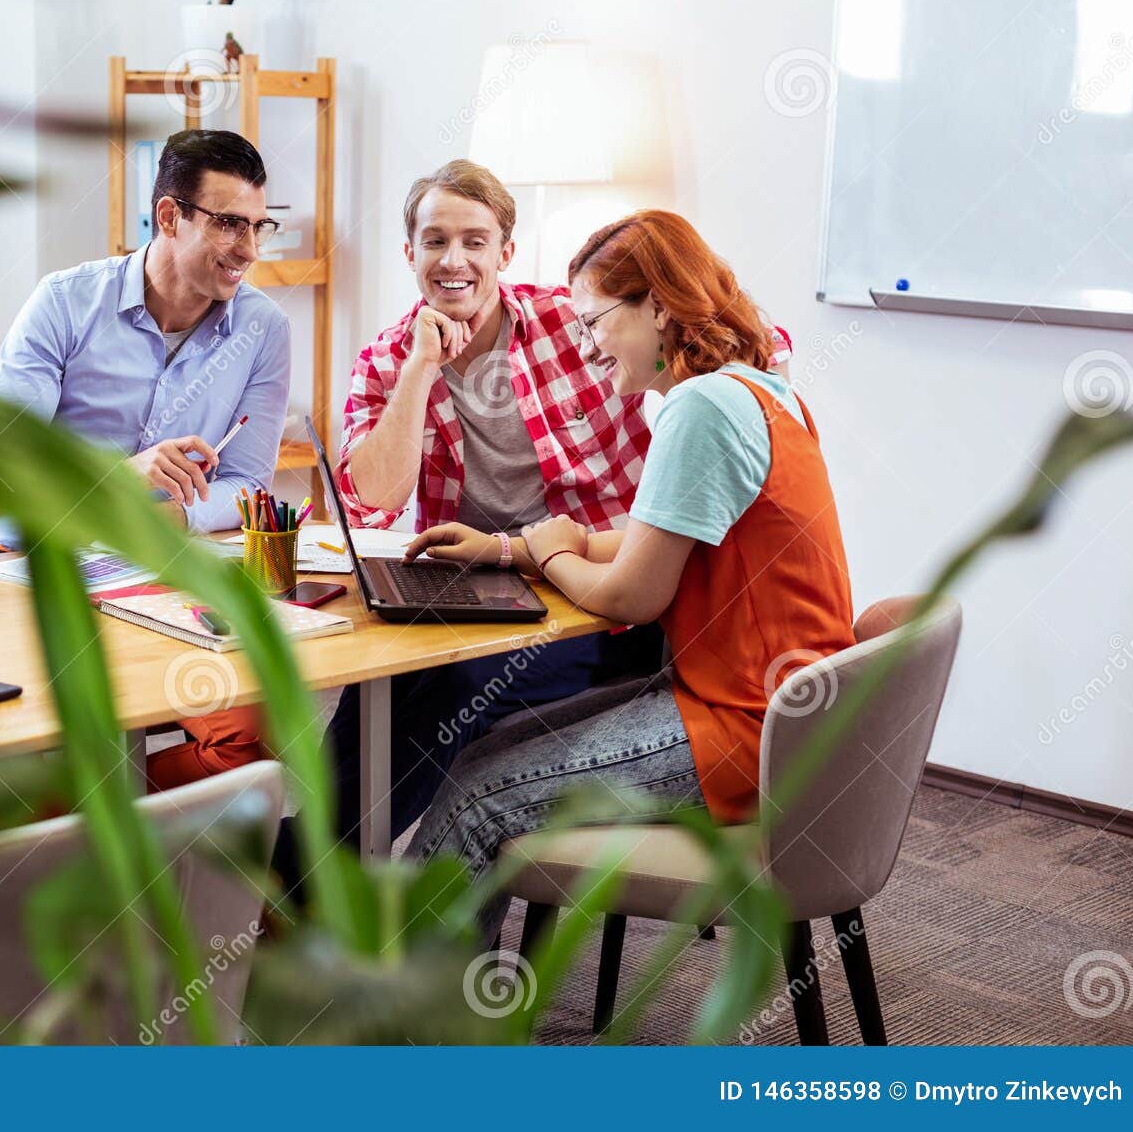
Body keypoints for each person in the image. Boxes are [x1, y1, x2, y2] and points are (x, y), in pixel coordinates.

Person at [303, 163, 791, 862]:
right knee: (383, 677)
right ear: (408, 253)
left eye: (476, 241)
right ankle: (322, 870)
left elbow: (755, 343)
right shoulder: (389, 355)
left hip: (600, 596)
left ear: (506, 251)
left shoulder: (582, 320)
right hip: (478, 580)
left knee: (454, 686)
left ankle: (312, 873)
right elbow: (372, 497)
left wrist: (693, 421)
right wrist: (418, 371)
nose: (454, 260)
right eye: (434, 240)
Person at [402, 210, 855, 939]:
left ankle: (403, 1035)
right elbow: (662, 535)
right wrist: (518, 547)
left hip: (742, 728)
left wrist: (550, 553)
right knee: (479, 753)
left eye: (595, 321)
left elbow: (633, 595)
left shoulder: (700, 407)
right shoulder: (765, 391)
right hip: (784, 717)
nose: (584, 345)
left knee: (476, 798)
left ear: (657, 305)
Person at [0, 129, 290, 790]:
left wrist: (171, 521)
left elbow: (247, 484)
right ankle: (84, 839)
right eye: (230, 223)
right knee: (90, 737)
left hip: (172, 577)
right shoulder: (64, 304)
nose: (249, 250)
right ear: (169, 216)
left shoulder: (264, 330)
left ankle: (101, 827)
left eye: (260, 227)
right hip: (58, 573)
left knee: (248, 743)